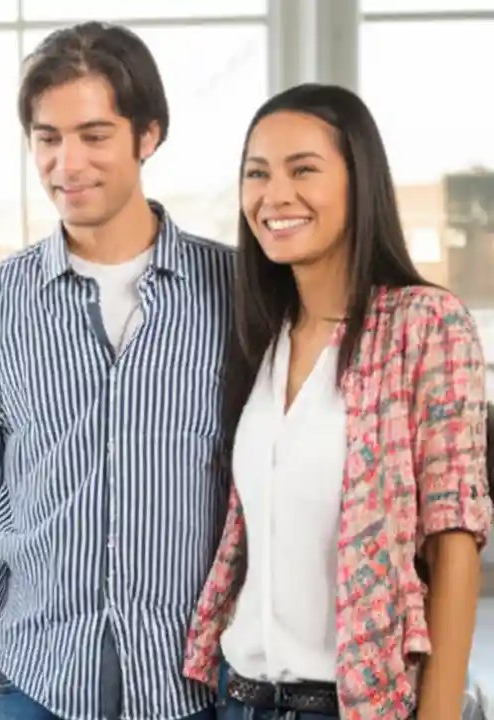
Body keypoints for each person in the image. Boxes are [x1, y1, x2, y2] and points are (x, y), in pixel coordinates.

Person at [0, 21, 235, 720]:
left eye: (94, 136)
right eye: (48, 138)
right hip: (41, 682)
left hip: (195, 686)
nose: (68, 164)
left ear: (147, 136)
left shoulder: (235, 292)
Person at [181, 83, 492, 719]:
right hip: (235, 698)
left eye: (304, 171)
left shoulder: (425, 325)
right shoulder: (262, 337)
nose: (275, 197)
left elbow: (454, 543)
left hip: (349, 707)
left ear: (359, 180)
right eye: (257, 174)